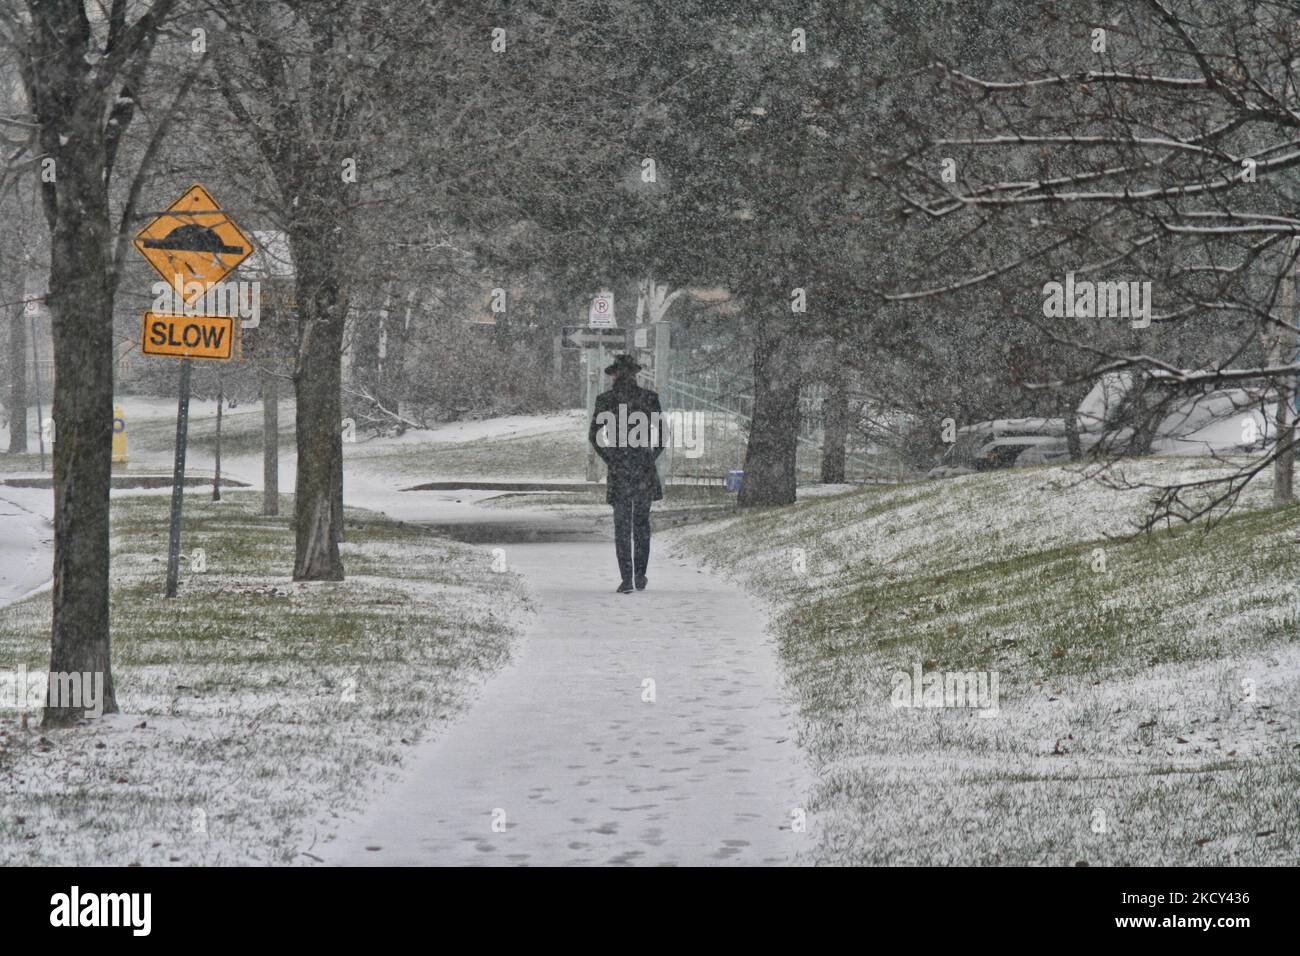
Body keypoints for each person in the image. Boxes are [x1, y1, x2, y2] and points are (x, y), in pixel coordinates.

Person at [588, 353, 664, 593]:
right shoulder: (649, 398)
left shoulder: (605, 400)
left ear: (615, 375)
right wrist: (649, 457)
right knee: (641, 524)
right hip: (642, 466)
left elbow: (595, 436)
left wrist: (611, 457)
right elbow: (662, 435)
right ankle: (640, 574)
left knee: (622, 525)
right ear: (635, 374)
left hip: (620, 467)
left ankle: (627, 578)